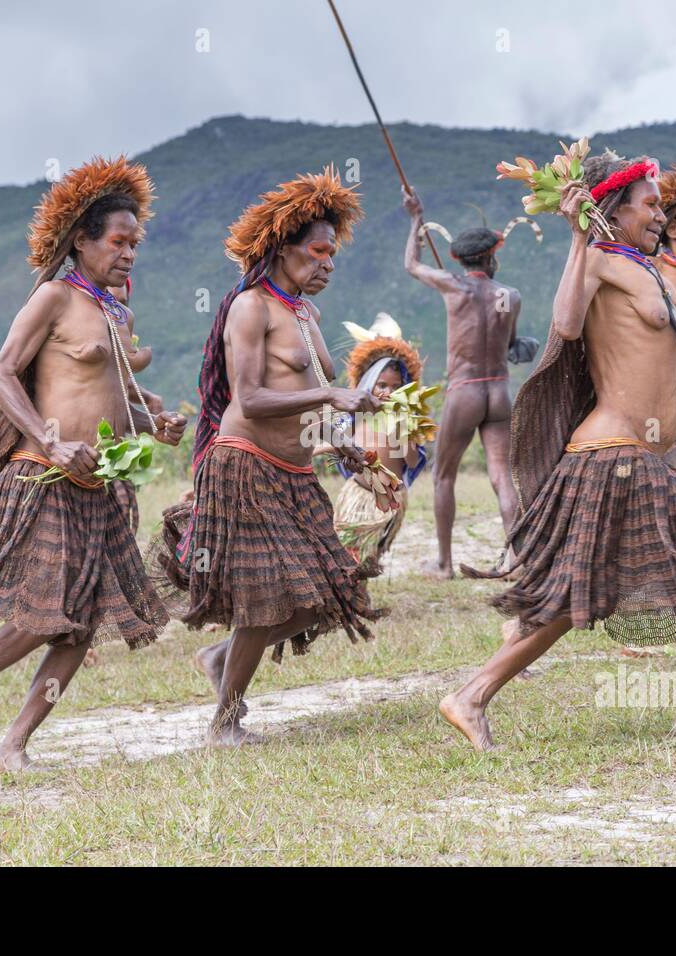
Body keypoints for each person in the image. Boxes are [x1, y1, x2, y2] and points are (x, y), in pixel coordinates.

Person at [444, 150, 676, 750]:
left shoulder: (657, 270)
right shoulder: (602, 259)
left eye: (661, 206)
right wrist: (579, 240)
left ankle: (471, 695)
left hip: (653, 451)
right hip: (611, 449)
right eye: (651, 204)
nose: (660, 214)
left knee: (583, 591)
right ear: (615, 209)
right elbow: (568, 325)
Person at [0, 157, 187, 770]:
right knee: (47, 609)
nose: (129, 251)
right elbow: (0, 376)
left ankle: (14, 746)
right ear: (82, 239)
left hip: (97, 483)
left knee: (78, 626)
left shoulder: (117, 314)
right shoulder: (53, 298)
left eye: (136, 242)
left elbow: (111, 399)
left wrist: (151, 424)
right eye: (117, 240)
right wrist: (51, 442)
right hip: (45, 473)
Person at [156, 168, 383, 746]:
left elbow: (299, 397)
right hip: (246, 465)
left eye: (333, 253)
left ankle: (221, 658)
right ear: (282, 249)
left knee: (334, 591)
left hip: (296, 469)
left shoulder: (306, 314)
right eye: (317, 251)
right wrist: (334, 394)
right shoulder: (249, 308)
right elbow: (252, 399)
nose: (328, 263)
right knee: (262, 600)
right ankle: (225, 724)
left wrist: (339, 440)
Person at [402, 188, 523, 579]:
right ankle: (515, 558)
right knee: (501, 475)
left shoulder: (453, 286)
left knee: (443, 474)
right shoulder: (510, 295)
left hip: (466, 391)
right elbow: (510, 342)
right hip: (500, 391)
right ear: (491, 257)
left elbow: (411, 265)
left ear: (461, 259)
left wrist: (415, 219)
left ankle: (445, 563)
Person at [330, 314, 428, 576]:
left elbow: (413, 462)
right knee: (352, 550)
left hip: (390, 498)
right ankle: (356, 591)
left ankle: (359, 588)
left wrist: (401, 434)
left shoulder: (405, 419)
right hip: (359, 494)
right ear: (366, 385)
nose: (387, 392)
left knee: (371, 552)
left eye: (396, 386)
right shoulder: (355, 417)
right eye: (381, 385)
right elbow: (336, 443)